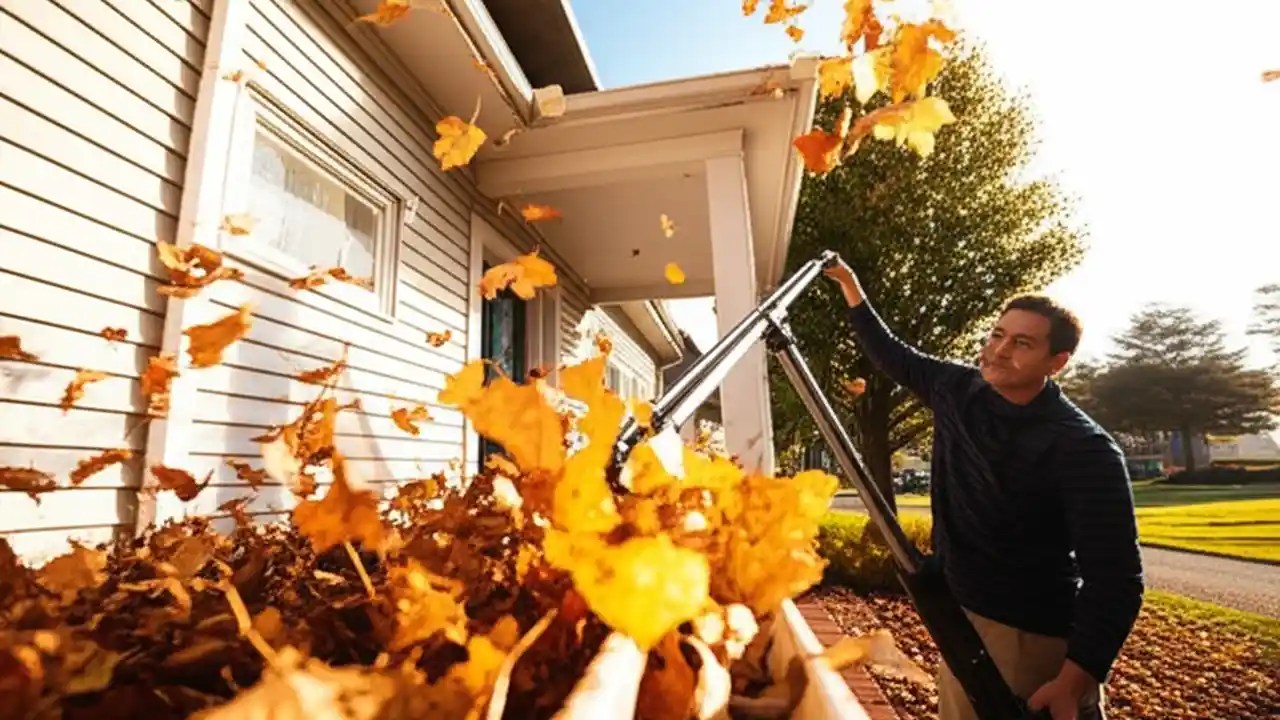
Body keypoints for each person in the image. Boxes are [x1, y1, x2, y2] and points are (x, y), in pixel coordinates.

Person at [822, 255, 1144, 720]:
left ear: (1057, 363)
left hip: (1027, 637)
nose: (998, 350)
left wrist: (1074, 681)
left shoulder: (1082, 448)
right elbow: (891, 354)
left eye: (1021, 343)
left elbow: (1117, 578)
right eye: (996, 334)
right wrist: (850, 286)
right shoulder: (958, 390)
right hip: (962, 615)